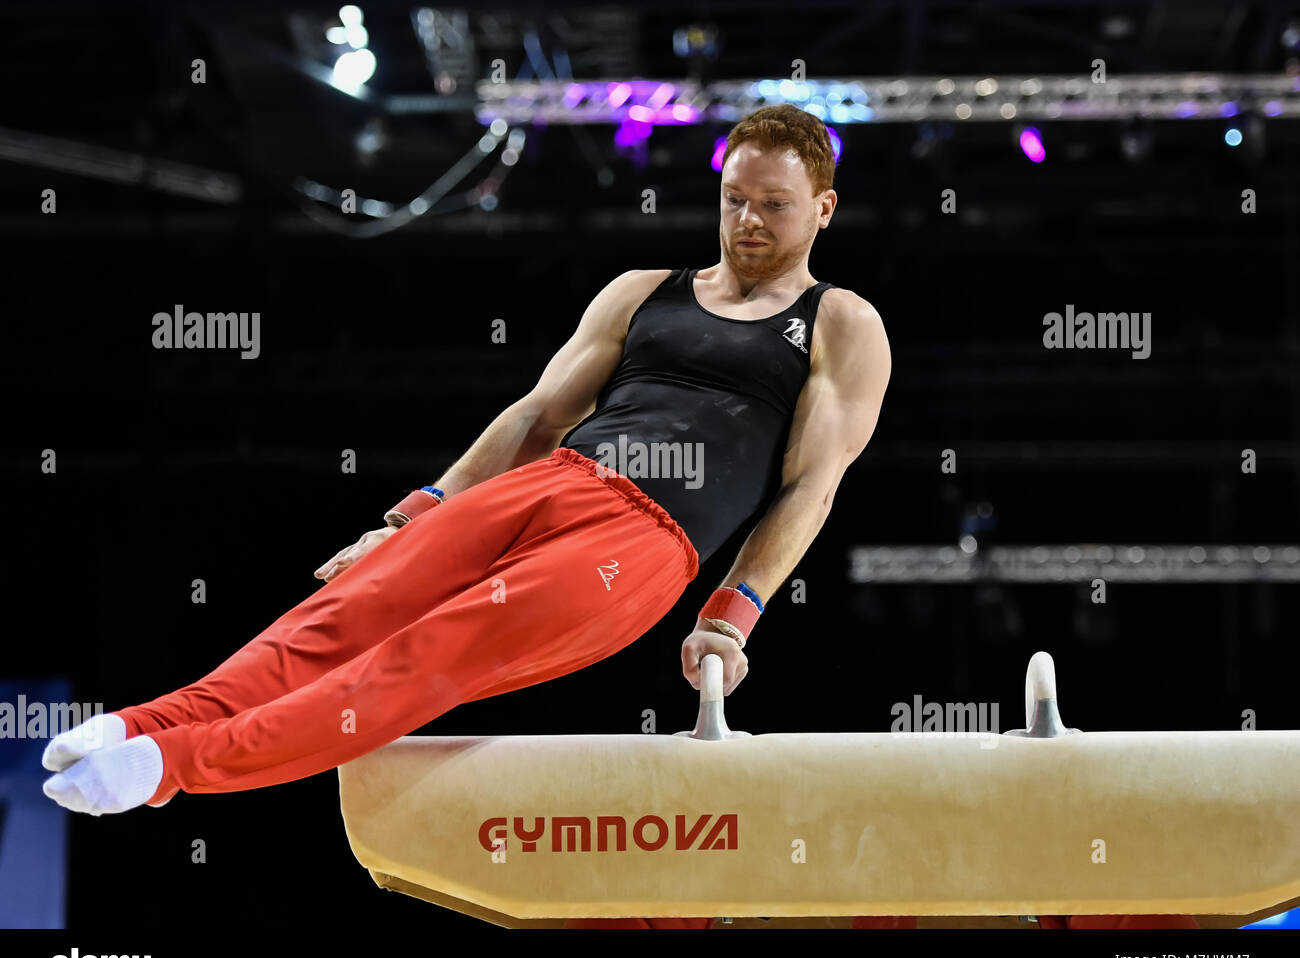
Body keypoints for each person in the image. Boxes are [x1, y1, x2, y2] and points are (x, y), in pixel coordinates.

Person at [41, 103, 891, 817]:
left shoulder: (840, 322)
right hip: (548, 482)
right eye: (735, 199)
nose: (748, 221)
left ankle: (174, 766)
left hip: (641, 542)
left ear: (822, 208)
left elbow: (812, 487)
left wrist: (727, 616)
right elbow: (535, 417)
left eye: (774, 205)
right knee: (339, 615)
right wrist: (406, 523)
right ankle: (146, 724)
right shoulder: (642, 292)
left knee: (425, 657)